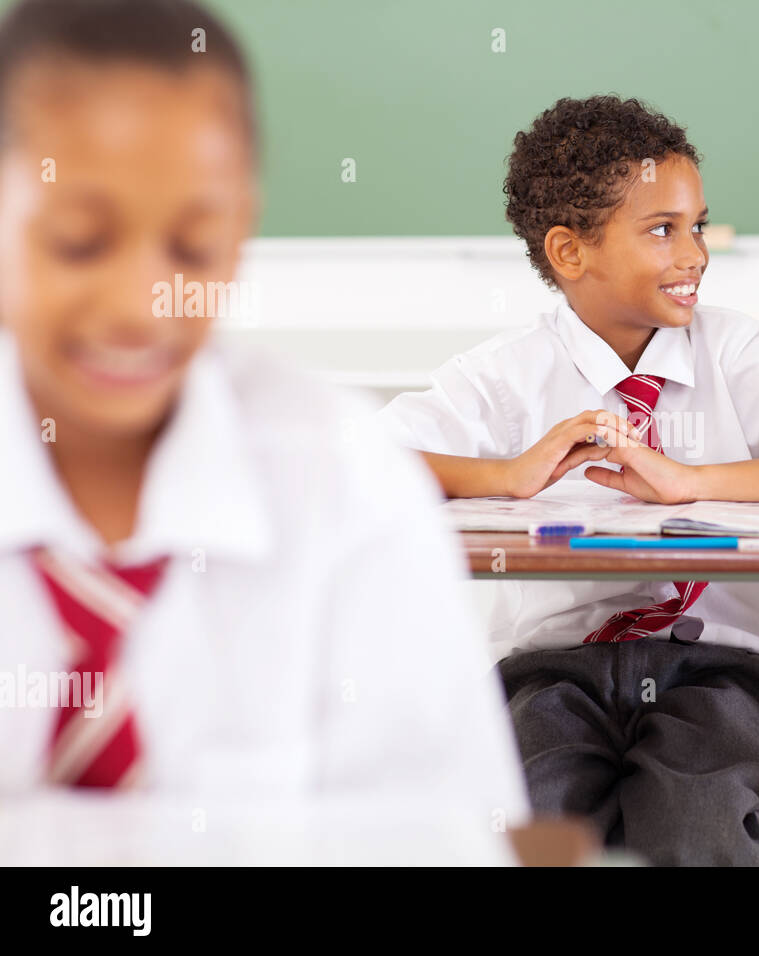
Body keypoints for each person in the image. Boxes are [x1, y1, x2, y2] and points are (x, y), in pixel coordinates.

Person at [0, 0, 528, 865]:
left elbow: (443, 842)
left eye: (194, 247)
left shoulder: (348, 490)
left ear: (241, 228)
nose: (142, 303)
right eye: (78, 243)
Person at [377, 94, 759, 865]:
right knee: (523, 829)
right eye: (663, 230)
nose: (695, 254)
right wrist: (507, 474)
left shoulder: (737, 352)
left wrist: (691, 481)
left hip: (724, 673)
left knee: (693, 825)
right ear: (569, 252)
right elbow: (359, 465)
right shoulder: (503, 376)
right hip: (552, 672)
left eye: (697, 225)